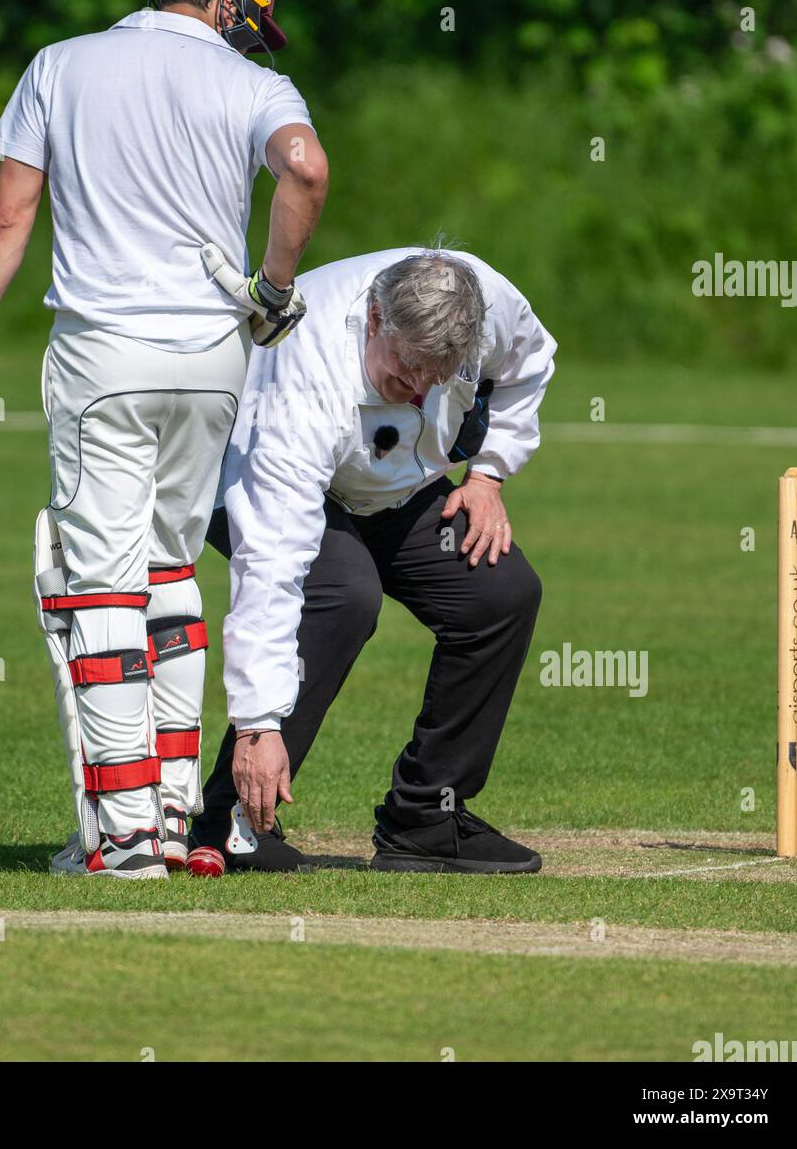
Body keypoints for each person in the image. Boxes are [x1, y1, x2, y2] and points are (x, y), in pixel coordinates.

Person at [0, 0, 328, 879]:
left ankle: (125, 836)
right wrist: (271, 286)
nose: (249, 43)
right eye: (251, 25)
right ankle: (173, 826)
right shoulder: (255, 90)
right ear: (224, 2)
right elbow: (304, 169)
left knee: (93, 577)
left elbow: (10, 213)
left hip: (104, 358)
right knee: (171, 570)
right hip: (215, 359)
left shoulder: (61, 64)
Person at [190, 246, 555, 873]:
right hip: (255, 473)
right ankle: (232, 824)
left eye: (436, 380)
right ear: (377, 318)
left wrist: (489, 475)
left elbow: (529, 365)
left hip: (396, 485)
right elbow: (272, 568)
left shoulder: (488, 302)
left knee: (500, 593)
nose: (417, 396)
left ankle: (426, 820)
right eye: (402, 375)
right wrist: (257, 723)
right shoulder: (303, 374)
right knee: (342, 592)